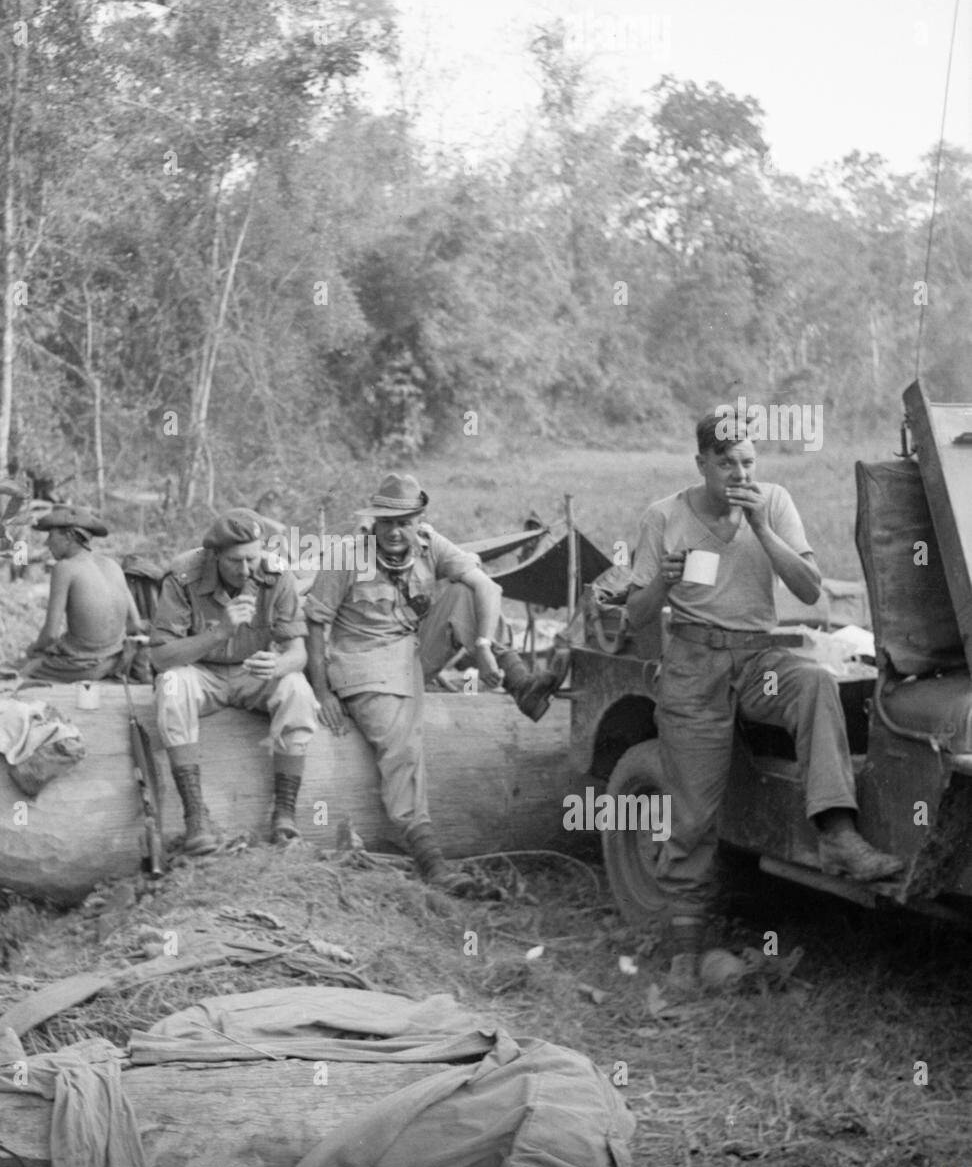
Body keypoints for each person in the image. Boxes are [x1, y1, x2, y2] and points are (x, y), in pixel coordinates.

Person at [624, 412, 904, 992]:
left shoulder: (772, 502)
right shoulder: (664, 517)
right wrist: (663, 585)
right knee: (694, 813)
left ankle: (836, 834)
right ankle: (684, 952)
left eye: (748, 461)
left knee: (814, 683)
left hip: (756, 660)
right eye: (726, 463)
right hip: (694, 666)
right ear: (701, 463)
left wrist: (762, 527)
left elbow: (807, 588)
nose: (739, 472)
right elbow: (635, 614)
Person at [303, 472, 558, 899]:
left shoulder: (429, 543)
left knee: (463, 593)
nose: (396, 532)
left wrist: (483, 647)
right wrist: (323, 691)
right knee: (403, 748)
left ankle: (521, 683)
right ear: (374, 522)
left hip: (413, 653)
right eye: (387, 522)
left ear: (419, 519)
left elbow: (487, 587)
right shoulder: (346, 555)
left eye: (405, 521)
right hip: (366, 665)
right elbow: (315, 623)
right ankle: (431, 860)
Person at [150, 509, 317, 854]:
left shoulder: (275, 574)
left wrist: (278, 664)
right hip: (201, 673)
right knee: (171, 684)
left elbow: (298, 653)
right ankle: (196, 816)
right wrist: (221, 632)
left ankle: (285, 813)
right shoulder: (184, 576)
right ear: (214, 556)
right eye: (234, 561)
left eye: (252, 559)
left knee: (297, 688)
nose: (245, 570)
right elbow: (160, 657)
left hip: (251, 673)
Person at [22, 505, 141, 681]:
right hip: (117, 660)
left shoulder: (65, 568)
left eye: (51, 535)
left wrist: (33, 648)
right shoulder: (112, 564)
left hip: (82, 667)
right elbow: (135, 624)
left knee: (19, 669)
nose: (46, 543)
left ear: (69, 536)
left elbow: (50, 635)